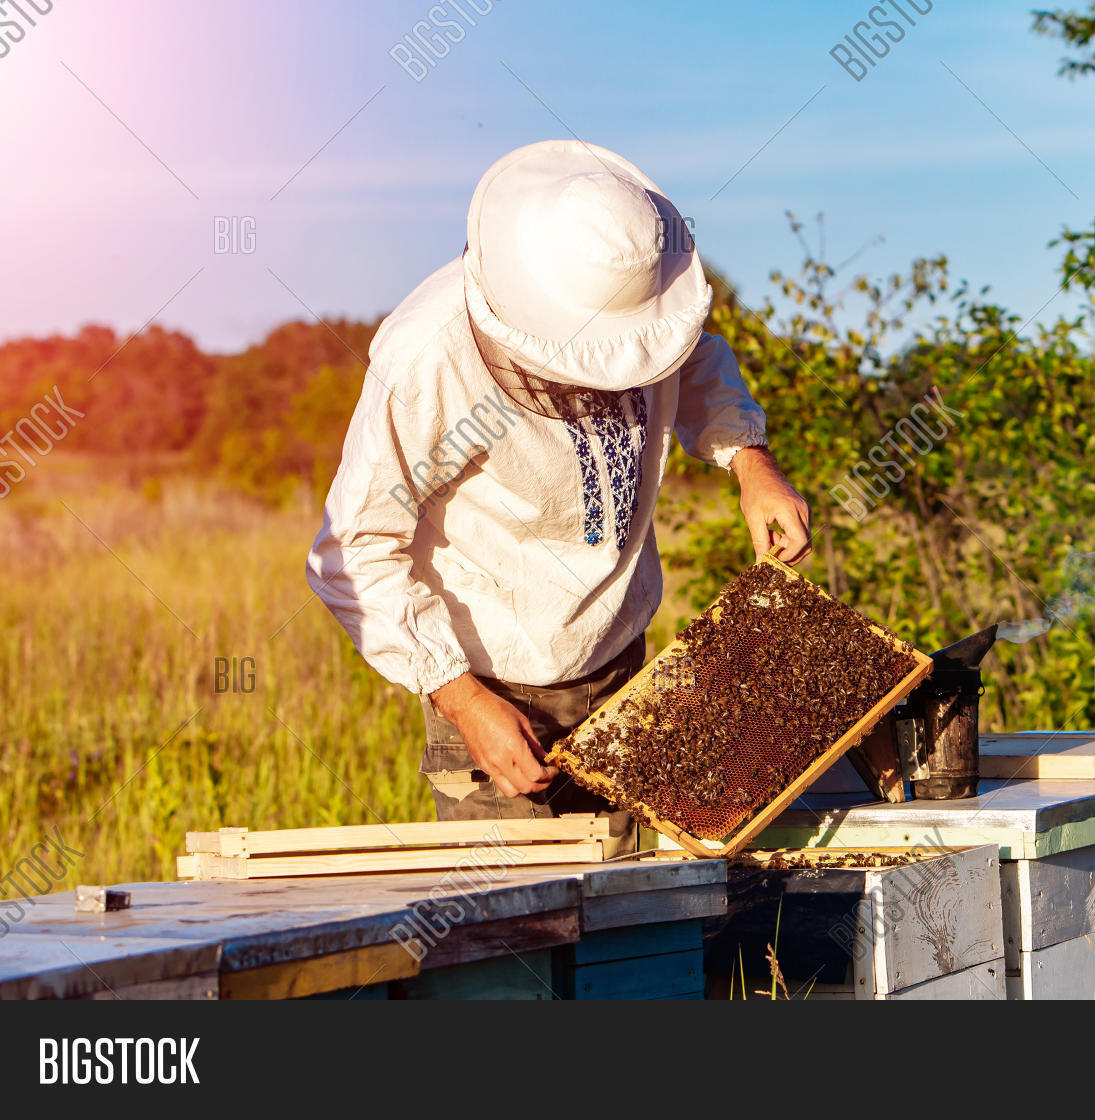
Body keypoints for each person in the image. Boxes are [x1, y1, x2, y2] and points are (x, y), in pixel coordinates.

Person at [307, 139, 811, 822]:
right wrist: (462, 700)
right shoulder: (428, 355)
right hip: (493, 692)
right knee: (520, 922)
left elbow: (696, 365)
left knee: (633, 907)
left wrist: (753, 464)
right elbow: (353, 548)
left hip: (623, 668)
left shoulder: (643, 297)